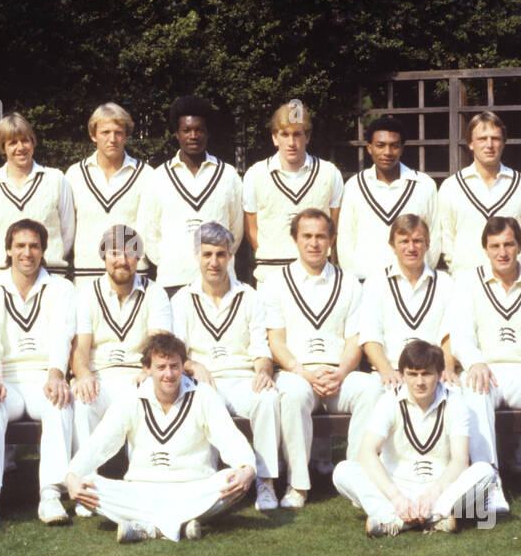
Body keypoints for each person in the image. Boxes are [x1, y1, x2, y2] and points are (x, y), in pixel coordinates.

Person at [66, 333, 257, 543]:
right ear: (147, 369)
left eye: (175, 366)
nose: (169, 374)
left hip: (193, 488)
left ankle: (149, 528)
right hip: (142, 490)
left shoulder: (203, 395)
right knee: (90, 484)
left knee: (229, 480)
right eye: (161, 367)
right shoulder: (131, 397)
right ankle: (182, 525)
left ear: (183, 366)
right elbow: (101, 442)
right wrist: (72, 475)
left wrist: (246, 468)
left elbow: (228, 437)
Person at [448, 217, 521, 515]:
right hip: (485, 369)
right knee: (474, 391)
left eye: (509, 245)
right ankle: (489, 483)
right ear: (486, 250)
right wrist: (474, 362)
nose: (502, 252)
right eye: (495, 246)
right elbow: (460, 332)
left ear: (519, 247)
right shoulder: (467, 282)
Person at [262, 208, 379, 507]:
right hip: (297, 373)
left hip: (338, 374)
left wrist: (340, 372)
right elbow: (276, 340)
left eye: (320, 237)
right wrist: (302, 372)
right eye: (307, 236)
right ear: (295, 240)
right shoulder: (275, 283)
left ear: (332, 240)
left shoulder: (350, 283)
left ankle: (356, 478)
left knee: (371, 389)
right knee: (291, 395)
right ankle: (298, 485)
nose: (314, 243)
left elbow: (356, 339)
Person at [333, 340, 496, 536]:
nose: (420, 382)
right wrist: (396, 498)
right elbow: (367, 452)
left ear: (439, 374)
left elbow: (460, 460)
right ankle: (433, 519)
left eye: (427, 373)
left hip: (440, 488)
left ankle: (394, 520)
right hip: (395, 486)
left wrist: (431, 496)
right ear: (402, 375)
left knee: (485, 471)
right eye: (412, 374)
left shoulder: (455, 402)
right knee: (343, 471)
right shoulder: (388, 400)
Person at [0, 219, 77, 524]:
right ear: (8, 249)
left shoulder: (61, 287)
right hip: (6, 379)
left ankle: (50, 495)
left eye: (34, 246)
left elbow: (62, 334)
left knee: (60, 400)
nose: (27, 253)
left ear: (44, 250)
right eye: (20, 246)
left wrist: (56, 374)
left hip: (45, 376)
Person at [171, 222, 281, 511]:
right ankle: (207, 485)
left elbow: (261, 349)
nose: (214, 262)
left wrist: (264, 372)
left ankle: (265, 482)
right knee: (202, 401)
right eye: (207, 254)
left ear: (231, 255)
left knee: (268, 398)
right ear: (196, 256)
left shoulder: (249, 296)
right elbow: (176, 354)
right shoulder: (182, 299)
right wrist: (194, 366)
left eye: (220, 254)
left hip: (243, 378)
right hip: (204, 382)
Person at [71, 224, 172, 466]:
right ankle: (86, 478)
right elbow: (80, 349)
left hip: (137, 376)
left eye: (129, 253)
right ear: (104, 256)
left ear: (138, 257)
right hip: (100, 377)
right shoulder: (86, 294)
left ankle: (143, 474)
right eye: (115, 253)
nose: (122, 260)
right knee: (81, 400)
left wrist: (148, 372)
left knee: (151, 392)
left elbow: (160, 343)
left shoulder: (155, 292)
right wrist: (84, 375)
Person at [138, 96, 244, 294]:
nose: (193, 136)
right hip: (173, 281)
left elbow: (236, 231)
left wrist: (217, 262)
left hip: (219, 282)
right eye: (186, 130)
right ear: (177, 134)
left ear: (207, 133)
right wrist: (171, 261)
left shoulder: (228, 175)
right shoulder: (158, 177)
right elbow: (148, 232)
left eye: (199, 130)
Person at [243, 101, 345, 284]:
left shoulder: (330, 174)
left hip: (317, 275)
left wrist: (314, 258)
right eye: (285, 134)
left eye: (297, 134)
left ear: (307, 137)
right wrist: (272, 253)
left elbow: (333, 226)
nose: (291, 143)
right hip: (271, 275)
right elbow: (251, 228)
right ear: (275, 138)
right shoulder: (255, 174)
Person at [358, 214, 457, 388]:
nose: (411, 248)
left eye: (417, 241)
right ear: (393, 246)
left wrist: (447, 368)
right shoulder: (375, 283)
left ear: (427, 244)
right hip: (391, 373)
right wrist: (386, 370)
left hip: (433, 375)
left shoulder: (446, 283)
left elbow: (450, 334)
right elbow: (370, 336)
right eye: (404, 241)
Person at [338, 116, 440, 281]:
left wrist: (419, 273)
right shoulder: (354, 185)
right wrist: (354, 278)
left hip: (410, 281)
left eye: (394, 146)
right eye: (380, 145)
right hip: (365, 282)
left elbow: (434, 237)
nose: (387, 152)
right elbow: (345, 238)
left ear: (401, 148)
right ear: (369, 148)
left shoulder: (424, 185)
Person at [436, 111, 521, 277]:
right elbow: (446, 239)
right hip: (467, 283)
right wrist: (458, 270)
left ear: (503, 143)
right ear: (470, 143)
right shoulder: (451, 187)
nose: (489, 145)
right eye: (482, 139)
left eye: (495, 138)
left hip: (512, 284)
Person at [0, 112, 75, 276]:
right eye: (12, 142)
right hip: (1, 278)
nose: (20, 147)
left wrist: (52, 258)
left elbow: (67, 232)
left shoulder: (55, 179)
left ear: (33, 142)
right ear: (2, 147)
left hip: (50, 276)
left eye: (25, 140)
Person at [65, 103, 152, 285]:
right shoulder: (75, 174)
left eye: (118, 132)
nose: (112, 139)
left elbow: (151, 229)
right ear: (93, 135)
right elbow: (66, 230)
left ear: (126, 135)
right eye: (105, 132)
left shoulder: (147, 175)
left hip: (131, 276)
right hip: (86, 278)